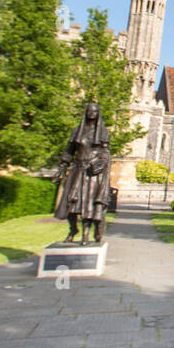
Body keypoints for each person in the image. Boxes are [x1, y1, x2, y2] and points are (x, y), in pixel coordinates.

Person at [55, 101, 111, 245]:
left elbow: (105, 152)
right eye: (89, 111)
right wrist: (61, 169)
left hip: (92, 173)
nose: (91, 113)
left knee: (88, 204)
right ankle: (73, 229)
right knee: (70, 203)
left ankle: (86, 234)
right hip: (77, 170)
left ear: (98, 114)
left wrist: (100, 163)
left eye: (94, 111)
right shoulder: (76, 131)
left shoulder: (103, 132)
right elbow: (69, 151)